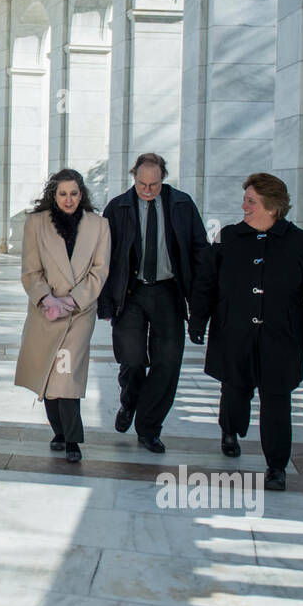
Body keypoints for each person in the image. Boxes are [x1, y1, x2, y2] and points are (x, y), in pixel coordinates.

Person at [188, 173, 303, 491]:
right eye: (245, 200)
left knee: (278, 400)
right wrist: (198, 321)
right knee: (235, 391)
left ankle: (276, 466)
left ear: (272, 206)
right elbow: (206, 284)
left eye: (251, 201)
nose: (244, 206)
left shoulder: (300, 243)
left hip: (282, 338)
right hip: (234, 332)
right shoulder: (228, 237)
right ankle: (230, 429)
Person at [97, 153, 210, 453]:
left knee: (167, 363)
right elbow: (103, 257)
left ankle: (149, 427)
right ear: (133, 176)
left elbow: (200, 250)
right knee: (132, 360)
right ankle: (129, 402)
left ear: (164, 178)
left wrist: (200, 302)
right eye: (142, 184)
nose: (147, 190)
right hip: (130, 293)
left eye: (154, 185)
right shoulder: (117, 207)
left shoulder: (183, 205)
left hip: (168, 291)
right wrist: (106, 301)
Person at [14, 170, 111, 463]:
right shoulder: (35, 223)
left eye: (74, 193)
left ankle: (72, 440)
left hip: (80, 311)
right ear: (53, 196)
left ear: (82, 195)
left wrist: (74, 299)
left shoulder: (99, 225)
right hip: (46, 309)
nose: (68, 200)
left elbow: (100, 269)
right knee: (49, 374)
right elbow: (30, 270)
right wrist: (48, 299)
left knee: (66, 374)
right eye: (62, 194)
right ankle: (59, 431)